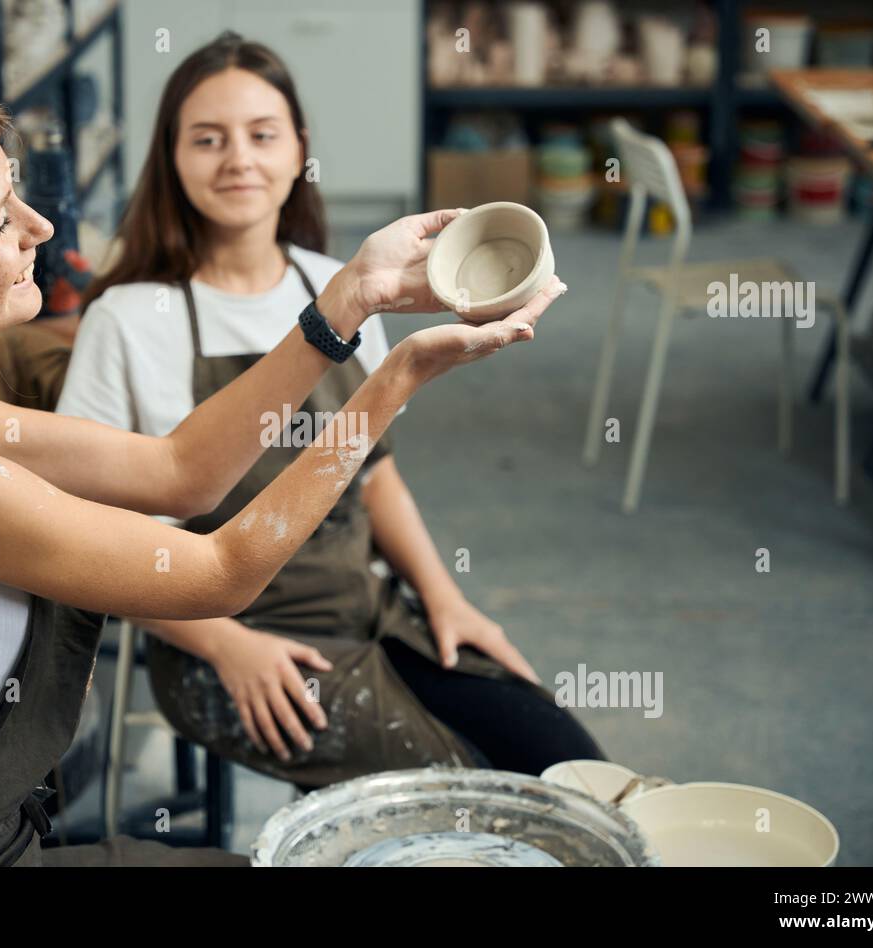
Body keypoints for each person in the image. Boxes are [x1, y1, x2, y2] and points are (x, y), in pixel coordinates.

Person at [0, 80, 557, 866]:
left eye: (18, 192)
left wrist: (349, 297)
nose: (42, 228)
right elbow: (221, 572)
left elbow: (181, 472)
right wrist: (395, 381)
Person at [58, 32, 602, 791]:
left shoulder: (341, 284)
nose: (237, 159)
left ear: (299, 149)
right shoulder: (128, 318)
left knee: (572, 771)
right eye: (207, 139)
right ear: (170, 155)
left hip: (368, 606)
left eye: (261, 134)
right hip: (229, 638)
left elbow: (373, 475)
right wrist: (225, 646)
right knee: (474, 797)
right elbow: (95, 543)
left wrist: (447, 601)